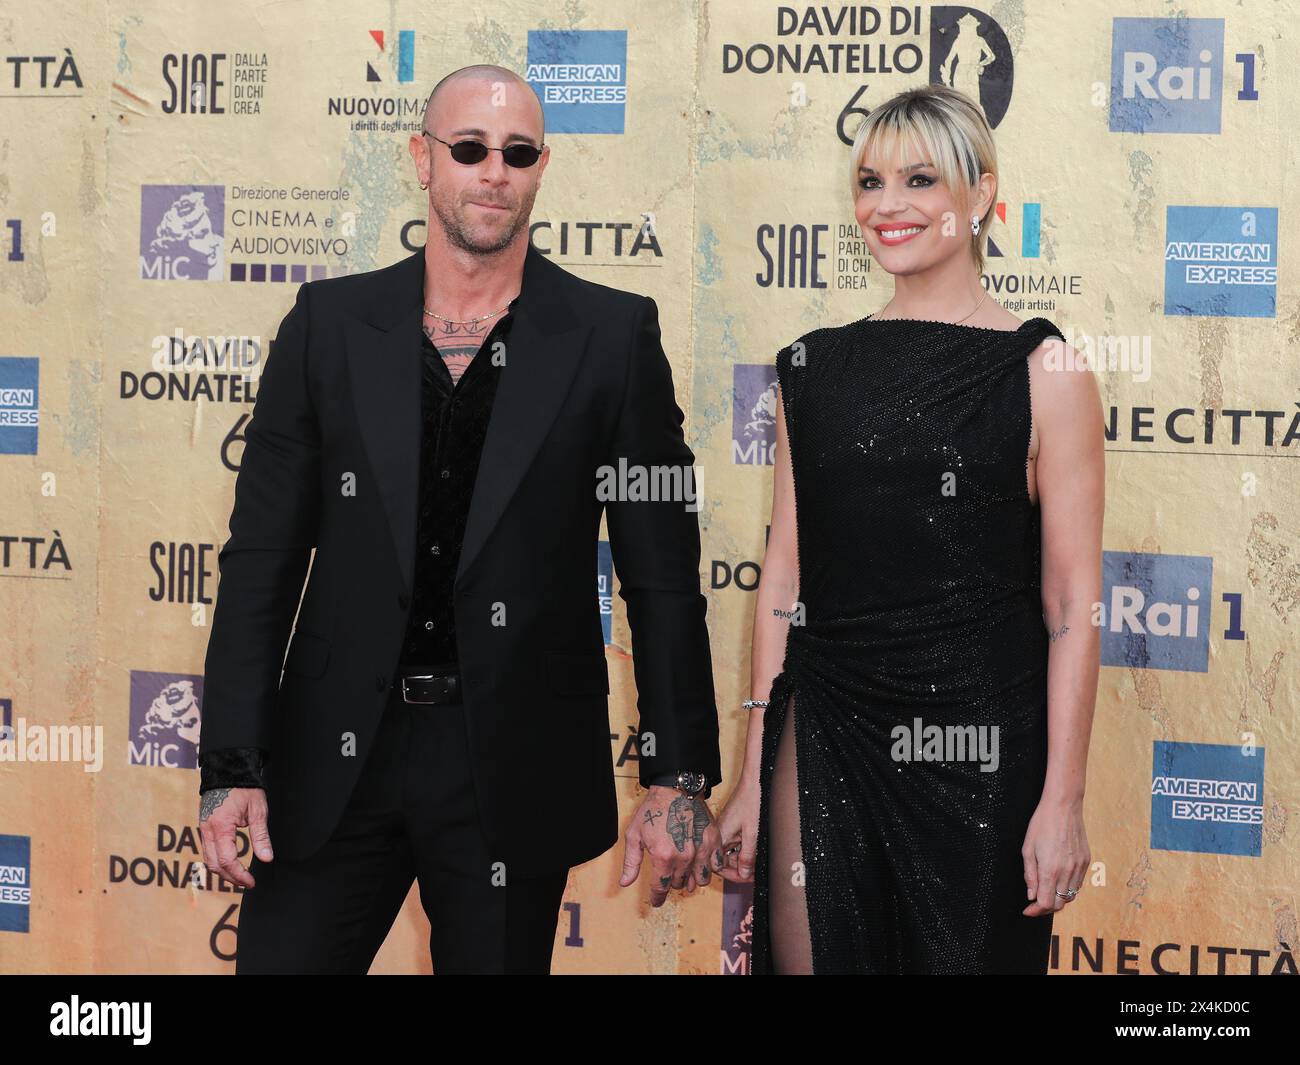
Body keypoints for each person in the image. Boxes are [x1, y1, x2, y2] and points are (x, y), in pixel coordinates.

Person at [196, 64, 722, 974]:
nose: (493, 172)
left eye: (517, 153)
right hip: (334, 754)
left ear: (541, 167)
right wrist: (233, 764)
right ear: (422, 159)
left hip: (509, 763)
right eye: (470, 148)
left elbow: (664, 576)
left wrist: (678, 774)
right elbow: (262, 558)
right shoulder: (329, 322)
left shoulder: (610, 336)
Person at [715, 84, 1103, 974]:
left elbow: (1073, 602)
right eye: (869, 180)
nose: (887, 205)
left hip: (981, 751)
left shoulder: (1046, 368)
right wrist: (750, 770)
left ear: (982, 196)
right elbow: (783, 578)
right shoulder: (811, 367)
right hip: (826, 734)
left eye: (920, 179)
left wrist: (1064, 799)